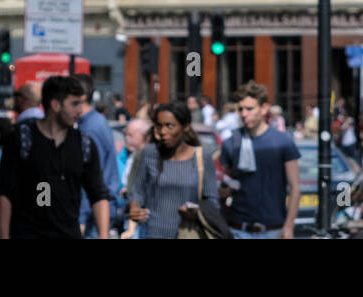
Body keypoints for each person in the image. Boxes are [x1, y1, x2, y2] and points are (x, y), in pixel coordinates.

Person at [0, 76, 111, 239]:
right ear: (55, 105)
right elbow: (4, 193)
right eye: (74, 104)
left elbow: (98, 194)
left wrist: (104, 236)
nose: (80, 110)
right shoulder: (22, 139)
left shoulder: (84, 144)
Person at [219, 82, 301, 239]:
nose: (244, 114)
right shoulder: (231, 143)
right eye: (240, 109)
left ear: (264, 109)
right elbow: (225, 185)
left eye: (249, 109)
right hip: (238, 229)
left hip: (273, 229)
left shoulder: (283, 142)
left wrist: (289, 227)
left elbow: (295, 187)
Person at [127, 101, 219, 239]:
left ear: (185, 127)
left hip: (189, 234)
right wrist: (135, 207)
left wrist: (195, 212)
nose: (163, 132)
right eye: (159, 126)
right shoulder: (149, 153)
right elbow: (137, 191)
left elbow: (213, 203)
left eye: (169, 126)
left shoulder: (202, 157)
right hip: (152, 233)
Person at [75, 74, 122, 237]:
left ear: (81, 97)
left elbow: (92, 178)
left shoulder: (90, 128)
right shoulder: (93, 123)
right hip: (95, 211)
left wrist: (81, 217)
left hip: (92, 216)